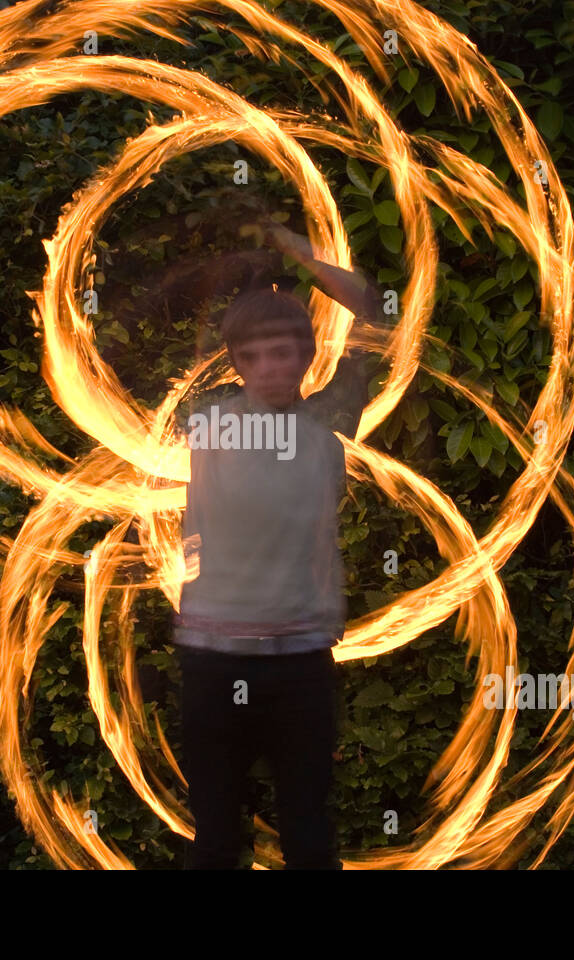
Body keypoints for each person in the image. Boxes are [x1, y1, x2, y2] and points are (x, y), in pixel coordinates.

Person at [175, 222, 390, 869]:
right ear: (236, 363)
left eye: (286, 352)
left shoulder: (329, 420)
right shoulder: (203, 423)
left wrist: (298, 252)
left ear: (307, 357)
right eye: (256, 355)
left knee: (309, 836)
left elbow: (379, 309)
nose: (272, 367)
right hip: (212, 660)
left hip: (301, 660)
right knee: (214, 840)